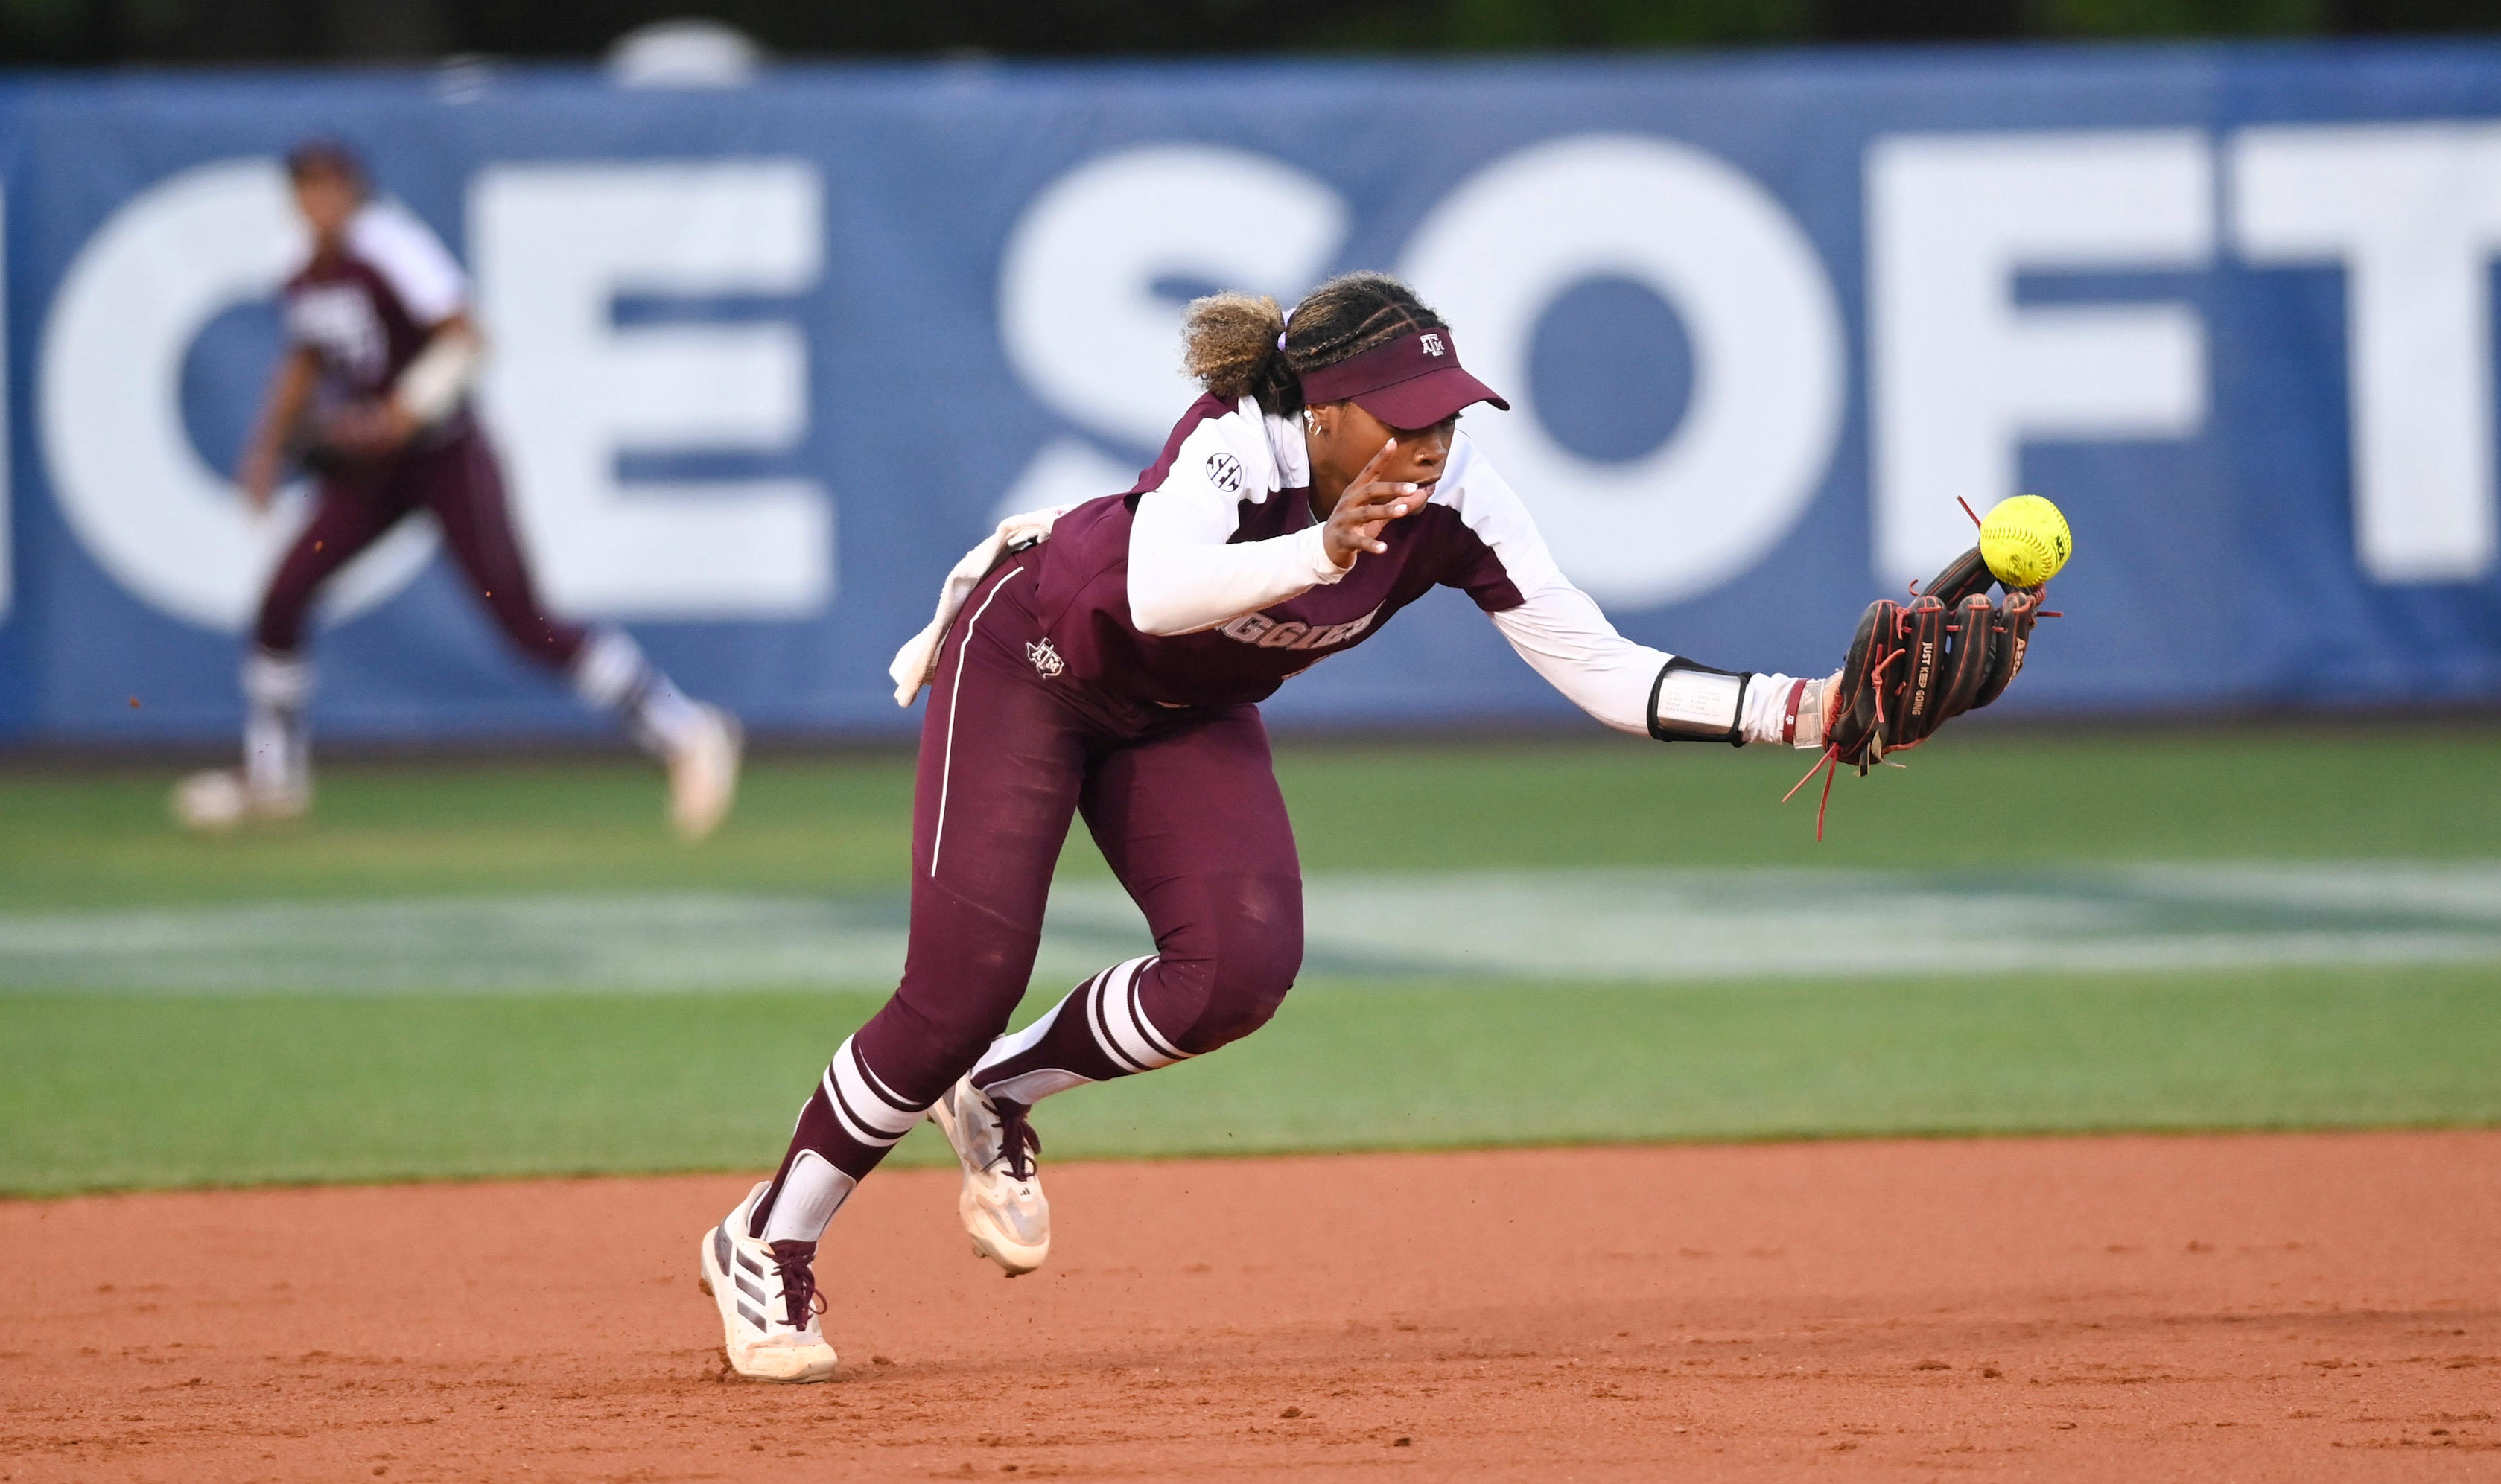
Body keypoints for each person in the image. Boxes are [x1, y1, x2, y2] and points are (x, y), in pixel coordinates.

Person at [695, 272, 1848, 1382]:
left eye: (1447, 411)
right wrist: (1323, 549)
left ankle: (999, 1091)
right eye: (1403, 418)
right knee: (960, 990)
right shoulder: (1235, 436)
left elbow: (1603, 675)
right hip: (1034, 665)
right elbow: (1152, 595)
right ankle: (769, 1240)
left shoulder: (1456, 499)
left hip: (1180, 707)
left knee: (1238, 971)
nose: (1434, 440)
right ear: (1326, 414)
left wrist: (1810, 713)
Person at [172, 138, 738, 838]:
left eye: (329, 189)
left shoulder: (390, 247)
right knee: (282, 599)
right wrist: (263, 452)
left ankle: (682, 731)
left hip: (446, 460)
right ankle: (272, 774)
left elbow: (467, 335)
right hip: (373, 476)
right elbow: (305, 358)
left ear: (353, 192)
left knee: (523, 620)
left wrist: (401, 414)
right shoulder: (302, 272)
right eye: (305, 191)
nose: (318, 205)